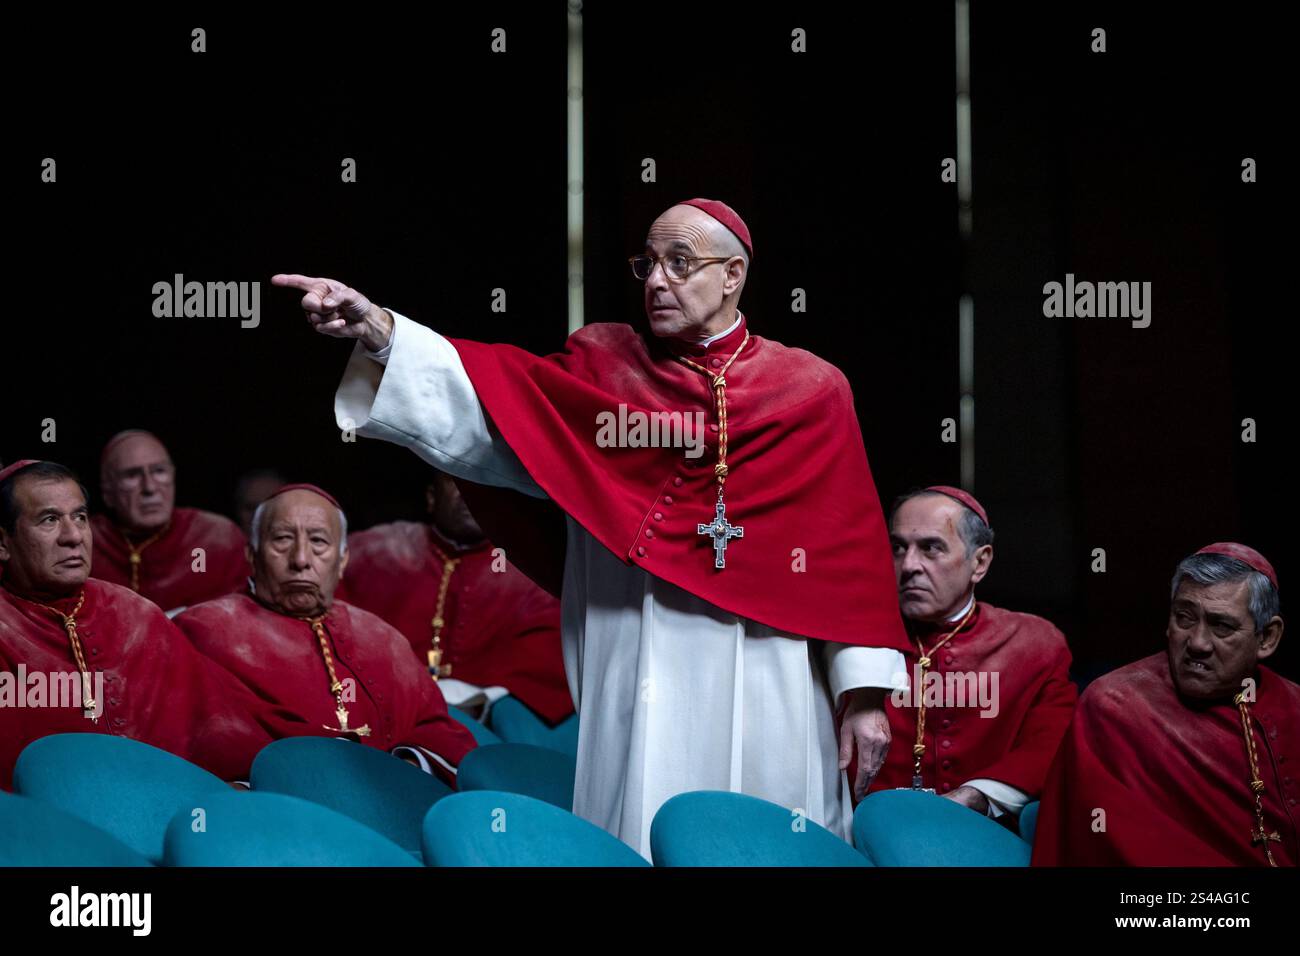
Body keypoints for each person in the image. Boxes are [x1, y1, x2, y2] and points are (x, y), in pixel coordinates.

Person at [273, 198, 910, 857]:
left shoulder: (812, 390)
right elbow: (496, 413)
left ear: (734, 275)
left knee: (768, 834)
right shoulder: (604, 368)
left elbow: (848, 554)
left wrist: (862, 694)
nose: (657, 280)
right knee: (636, 822)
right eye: (649, 263)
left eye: (680, 263)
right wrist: (380, 332)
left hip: (773, 674)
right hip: (639, 652)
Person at [0, 460, 282, 789]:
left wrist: (232, 784)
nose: (74, 536)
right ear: (3, 543)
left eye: (80, 517)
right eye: (49, 520)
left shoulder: (136, 614)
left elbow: (220, 735)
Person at [175, 483, 476, 786]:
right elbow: (202, 748)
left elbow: (438, 732)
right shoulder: (204, 630)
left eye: (318, 541)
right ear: (252, 555)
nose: (301, 559)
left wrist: (404, 771)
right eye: (282, 539)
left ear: (343, 560)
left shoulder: (382, 637)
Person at [1033, 543, 1297, 866]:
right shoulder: (1115, 708)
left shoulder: (1294, 705)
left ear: (1267, 638)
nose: (1198, 643)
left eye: (1222, 627)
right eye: (1184, 618)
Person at [864, 486, 1076, 826]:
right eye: (898, 548)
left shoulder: (1035, 644)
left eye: (931, 548)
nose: (908, 566)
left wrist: (974, 796)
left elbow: (1052, 744)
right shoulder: (857, 642)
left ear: (980, 562)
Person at [338, 471, 571, 724]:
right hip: (380, 708)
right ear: (431, 497)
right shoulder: (374, 550)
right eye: (457, 482)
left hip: (485, 722)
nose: (470, 494)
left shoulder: (530, 570)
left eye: (483, 485)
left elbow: (548, 656)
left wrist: (478, 697)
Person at [92, 430, 247, 615]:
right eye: (132, 475)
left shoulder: (217, 538)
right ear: (107, 492)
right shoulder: (85, 541)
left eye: (159, 471)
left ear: (173, 476)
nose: (149, 487)